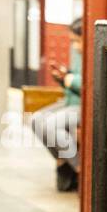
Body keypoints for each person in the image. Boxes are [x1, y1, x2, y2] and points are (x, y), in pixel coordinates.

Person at [30, 18, 82, 192]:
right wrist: (63, 76)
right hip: (70, 101)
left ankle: (78, 167)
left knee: (52, 125)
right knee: (36, 120)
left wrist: (71, 80)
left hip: (83, 106)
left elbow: (88, 86)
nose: (74, 46)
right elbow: (73, 78)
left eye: (77, 41)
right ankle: (63, 160)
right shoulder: (77, 54)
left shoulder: (92, 50)